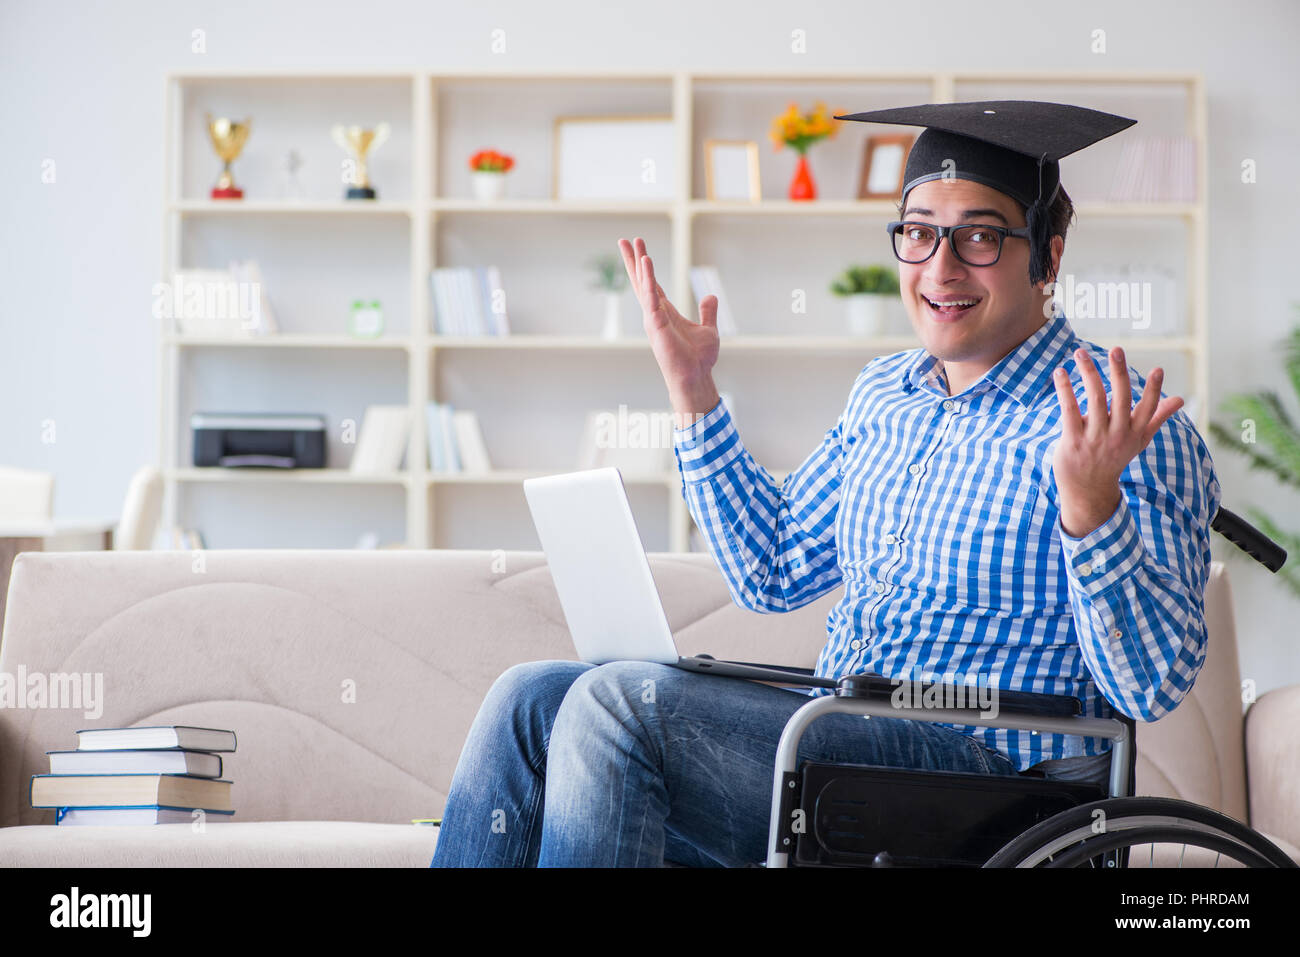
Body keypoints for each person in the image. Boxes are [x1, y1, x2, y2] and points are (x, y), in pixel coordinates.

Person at [430, 101, 1219, 868]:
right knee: (527, 697)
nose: (940, 268)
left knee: (616, 708)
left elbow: (1148, 688)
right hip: (842, 742)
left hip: (991, 788)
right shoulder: (885, 394)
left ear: (1046, 258)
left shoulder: (1121, 426)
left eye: (979, 237)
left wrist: (1093, 512)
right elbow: (773, 568)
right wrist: (695, 396)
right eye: (918, 234)